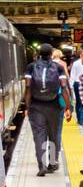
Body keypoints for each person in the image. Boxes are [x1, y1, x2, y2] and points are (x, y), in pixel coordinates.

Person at [23, 42, 73, 175]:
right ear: (51, 54)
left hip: (36, 105)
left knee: (39, 135)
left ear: (39, 54)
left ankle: (41, 165)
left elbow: (28, 88)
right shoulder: (58, 67)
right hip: (54, 105)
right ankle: (52, 163)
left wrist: (27, 107)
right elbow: (64, 88)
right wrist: (68, 107)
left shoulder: (31, 67)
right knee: (53, 134)